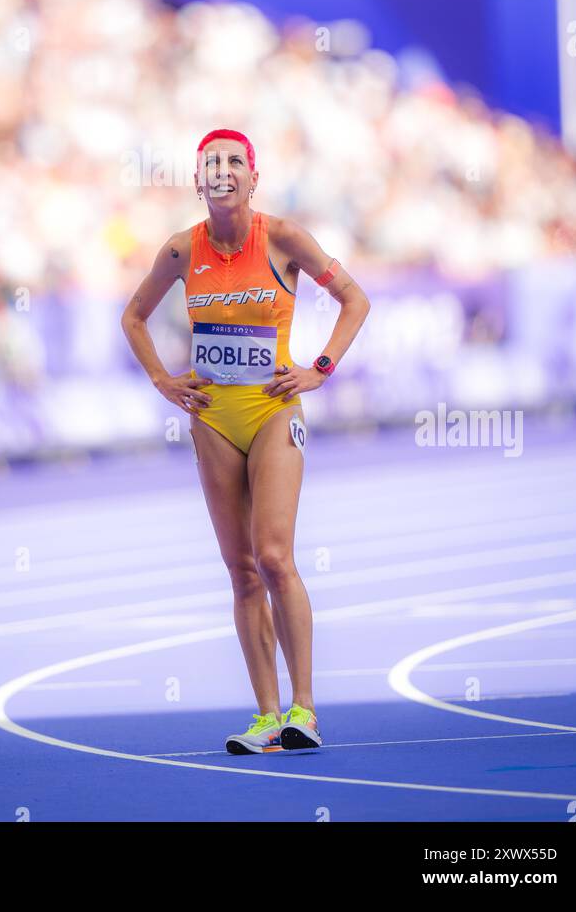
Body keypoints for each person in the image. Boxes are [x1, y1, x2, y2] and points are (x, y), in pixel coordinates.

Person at [121, 128, 370, 755]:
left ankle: (304, 710)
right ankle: (266, 718)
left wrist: (321, 367)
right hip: (211, 418)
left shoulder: (282, 237)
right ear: (198, 180)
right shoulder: (181, 251)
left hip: (272, 410)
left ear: (252, 178)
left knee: (275, 556)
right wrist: (162, 379)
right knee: (240, 572)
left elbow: (354, 299)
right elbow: (132, 316)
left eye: (235, 161)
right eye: (212, 163)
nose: (223, 171)